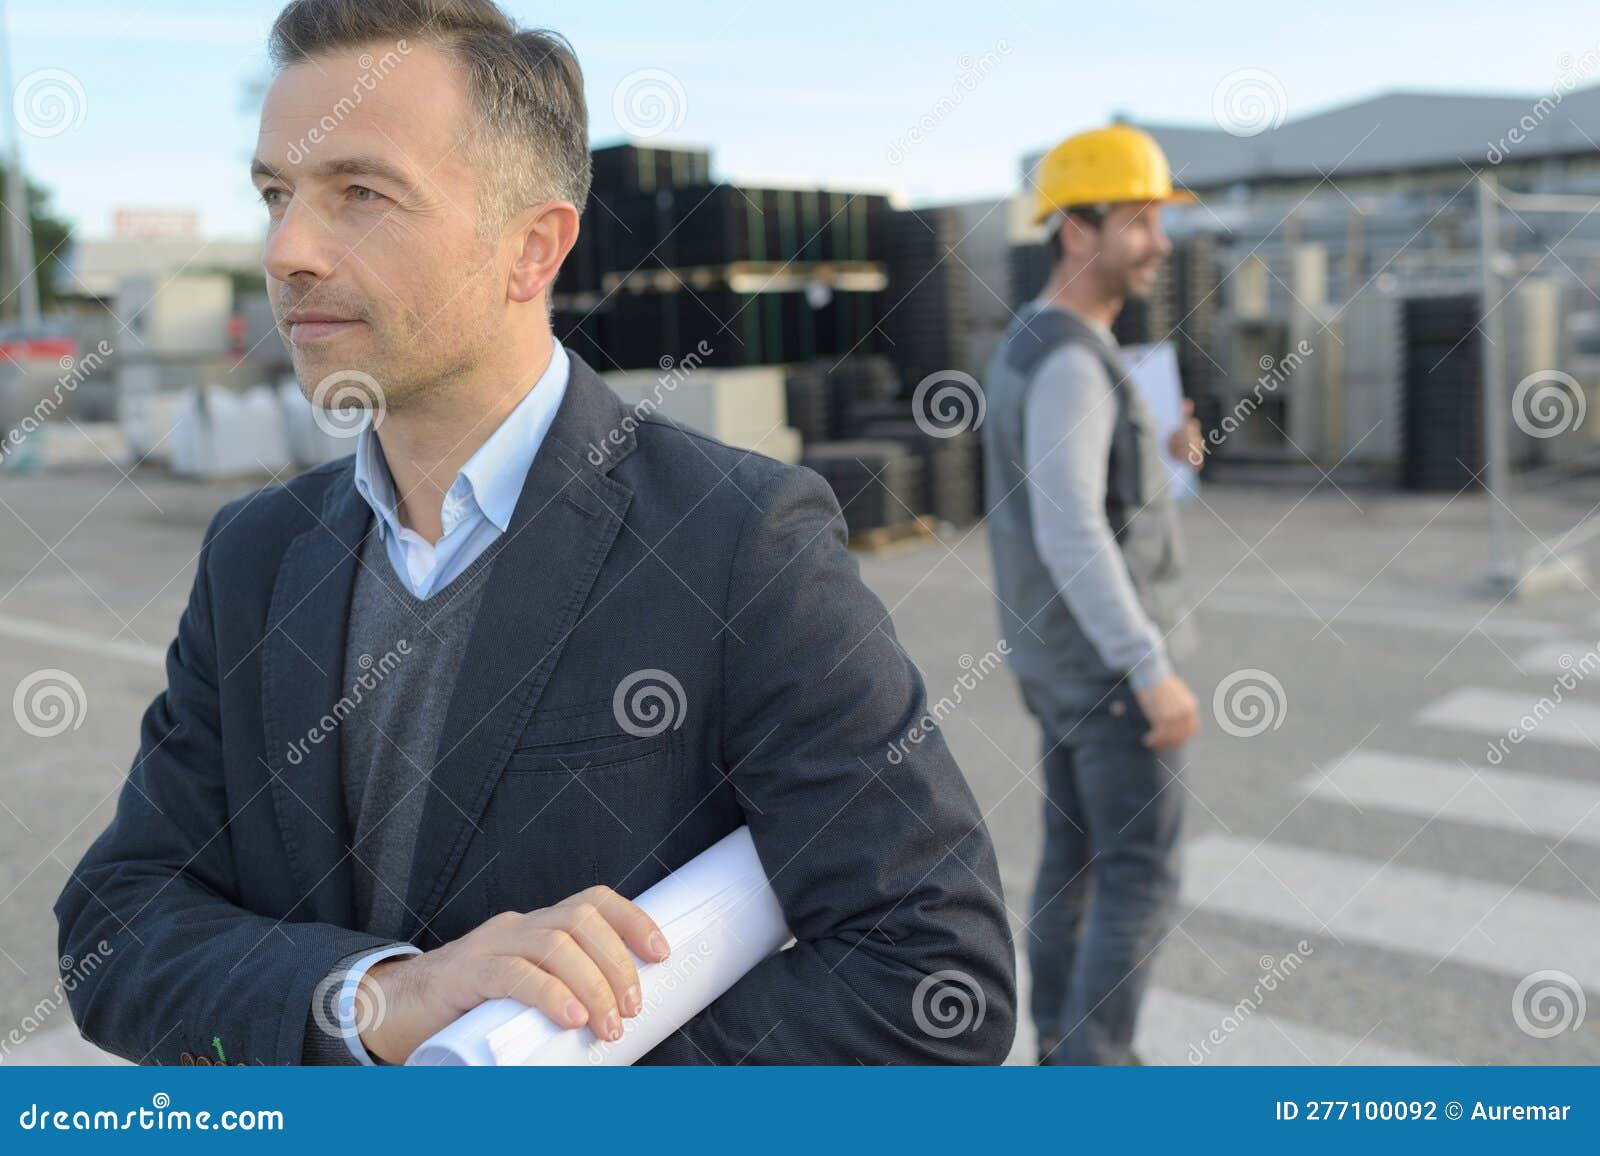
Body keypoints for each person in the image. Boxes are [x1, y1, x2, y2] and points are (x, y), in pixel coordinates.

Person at [55, 0, 1015, 1067]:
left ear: (532, 247)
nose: (288, 250)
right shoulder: (256, 555)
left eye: (360, 193)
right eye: (276, 194)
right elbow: (117, 925)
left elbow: (934, 976)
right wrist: (375, 999)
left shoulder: (736, 544)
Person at [980, 124, 1203, 1065]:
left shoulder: (1036, 343)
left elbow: (1080, 496)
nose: (1159, 244)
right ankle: (1095, 1071)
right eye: (1140, 222)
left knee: (1073, 864)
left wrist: (1159, 454)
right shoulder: (1073, 360)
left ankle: (1062, 1049)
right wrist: (1149, 667)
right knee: (1139, 872)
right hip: (1107, 673)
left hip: (1061, 664)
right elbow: (1071, 527)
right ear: (1078, 230)